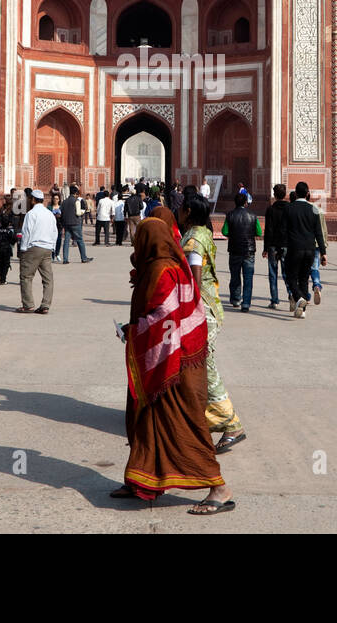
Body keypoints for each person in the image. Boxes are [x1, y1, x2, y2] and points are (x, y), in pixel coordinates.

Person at [113, 215, 234, 514]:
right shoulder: (166, 265)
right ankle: (141, 480)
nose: (133, 241)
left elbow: (164, 320)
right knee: (144, 424)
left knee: (182, 426)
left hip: (171, 367)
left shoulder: (162, 271)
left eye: (137, 236)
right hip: (163, 361)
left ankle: (219, 488)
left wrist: (133, 331)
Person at [177, 197, 245, 454]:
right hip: (210, 305)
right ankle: (198, 417)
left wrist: (188, 309)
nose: (179, 211)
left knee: (205, 365)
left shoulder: (193, 239)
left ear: (189, 212)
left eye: (182, 207)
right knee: (198, 364)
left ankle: (231, 424)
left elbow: (193, 276)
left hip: (202, 308)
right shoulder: (203, 231)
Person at [283, 182, 327, 318]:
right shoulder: (313, 209)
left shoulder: (289, 208)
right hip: (310, 249)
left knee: (291, 277)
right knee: (304, 278)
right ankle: (303, 310)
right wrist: (323, 253)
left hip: (294, 248)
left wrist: (281, 247)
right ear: (308, 194)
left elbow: (284, 230)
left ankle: (299, 299)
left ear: (295, 194)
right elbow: (318, 232)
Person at [16, 189, 56, 313]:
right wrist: (52, 246)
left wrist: (23, 248)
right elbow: (55, 231)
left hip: (33, 247)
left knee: (26, 276)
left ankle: (28, 305)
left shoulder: (31, 214)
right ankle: (45, 305)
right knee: (48, 279)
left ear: (32, 200)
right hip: (47, 248)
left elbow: (26, 232)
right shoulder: (49, 213)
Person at [222, 192, 263, 311]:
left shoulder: (230, 215)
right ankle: (246, 304)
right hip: (249, 251)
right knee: (248, 278)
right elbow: (259, 232)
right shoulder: (253, 215)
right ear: (246, 203)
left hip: (234, 250)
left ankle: (235, 299)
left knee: (235, 276)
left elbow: (224, 232)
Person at [260, 183, 287, 310]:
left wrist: (265, 248)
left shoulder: (270, 209)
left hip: (273, 245)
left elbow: (268, 230)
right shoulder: (290, 208)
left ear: (274, 195)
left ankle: (274, 300)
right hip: (286, 244)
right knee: (287, 272)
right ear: (285, 194)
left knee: (273, 272)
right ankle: (291, 294)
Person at [60, 184, 92, 263]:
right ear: (76, 193)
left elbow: (62, 213)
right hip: (75, 222)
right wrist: (83, 211)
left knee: (66, 241)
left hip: (67, 223)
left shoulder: (64, 202)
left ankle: (65, 259)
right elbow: (78, 213)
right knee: (80, 240)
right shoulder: (76, 201)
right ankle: (84, 258)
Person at [0, 211, 16, 283]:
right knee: (5, 264)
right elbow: (13, 240)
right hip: (7, 249)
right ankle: (3, 279)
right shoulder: (9, 231)